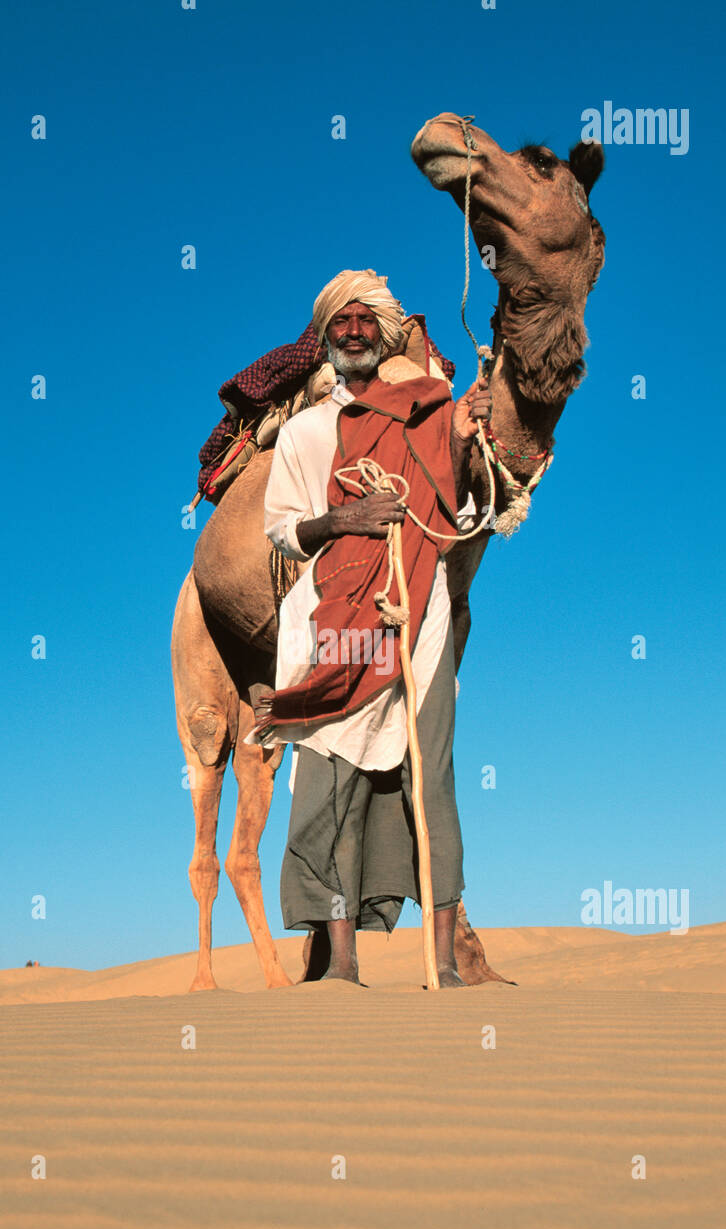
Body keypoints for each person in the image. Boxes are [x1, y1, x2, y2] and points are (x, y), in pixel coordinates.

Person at [248, 269, 488, 987]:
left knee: (431, 779)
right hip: (333, 620)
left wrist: (470, 439)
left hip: (420, 614)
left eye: (365, 321)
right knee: (329, 784)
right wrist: (343, 520)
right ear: (325, 336)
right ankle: (340, 966)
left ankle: (442, 962)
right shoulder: (303, 431)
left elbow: (469, 508)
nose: (353, 330)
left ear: (383, 334)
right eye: (340, 321)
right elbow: (283, 532)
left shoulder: (430, 412)